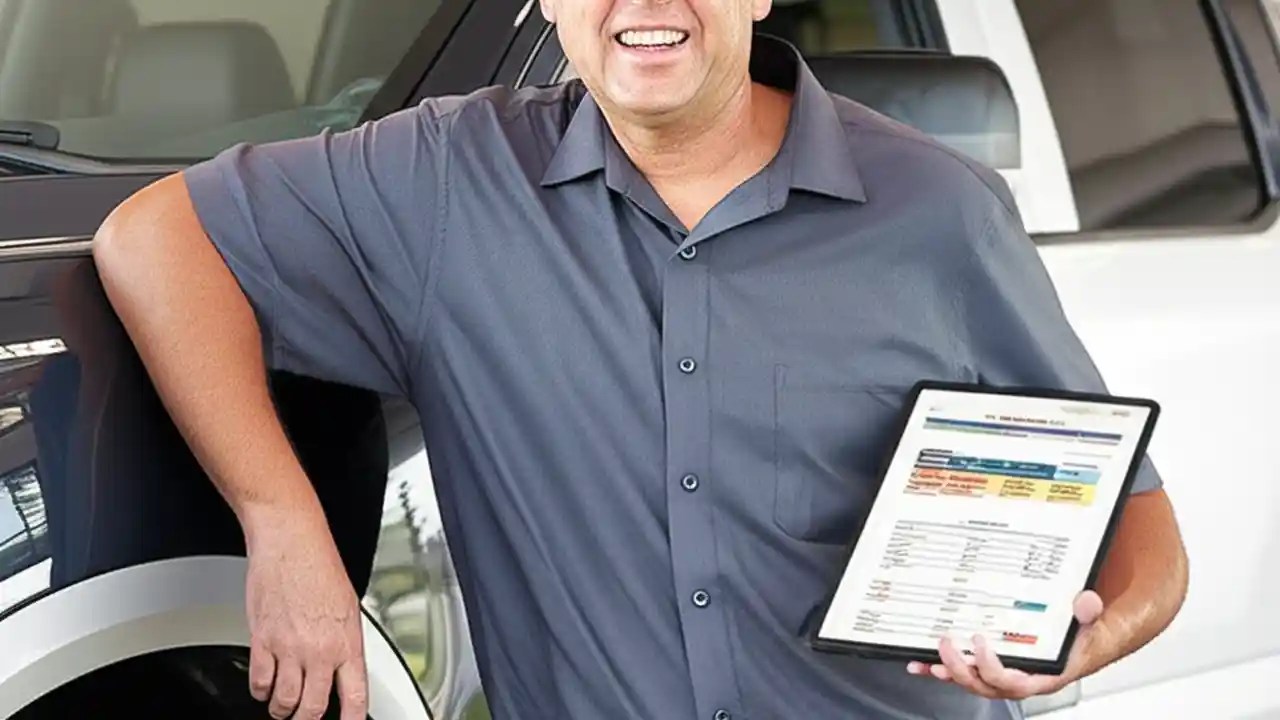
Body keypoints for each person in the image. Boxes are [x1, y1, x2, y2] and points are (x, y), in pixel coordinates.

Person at [90, 1, 1189, 718]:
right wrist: (282, 527)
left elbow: (1139, 532)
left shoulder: (936, 214)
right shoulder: (442, 181)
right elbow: (152, 237)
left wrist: (1085, 646)